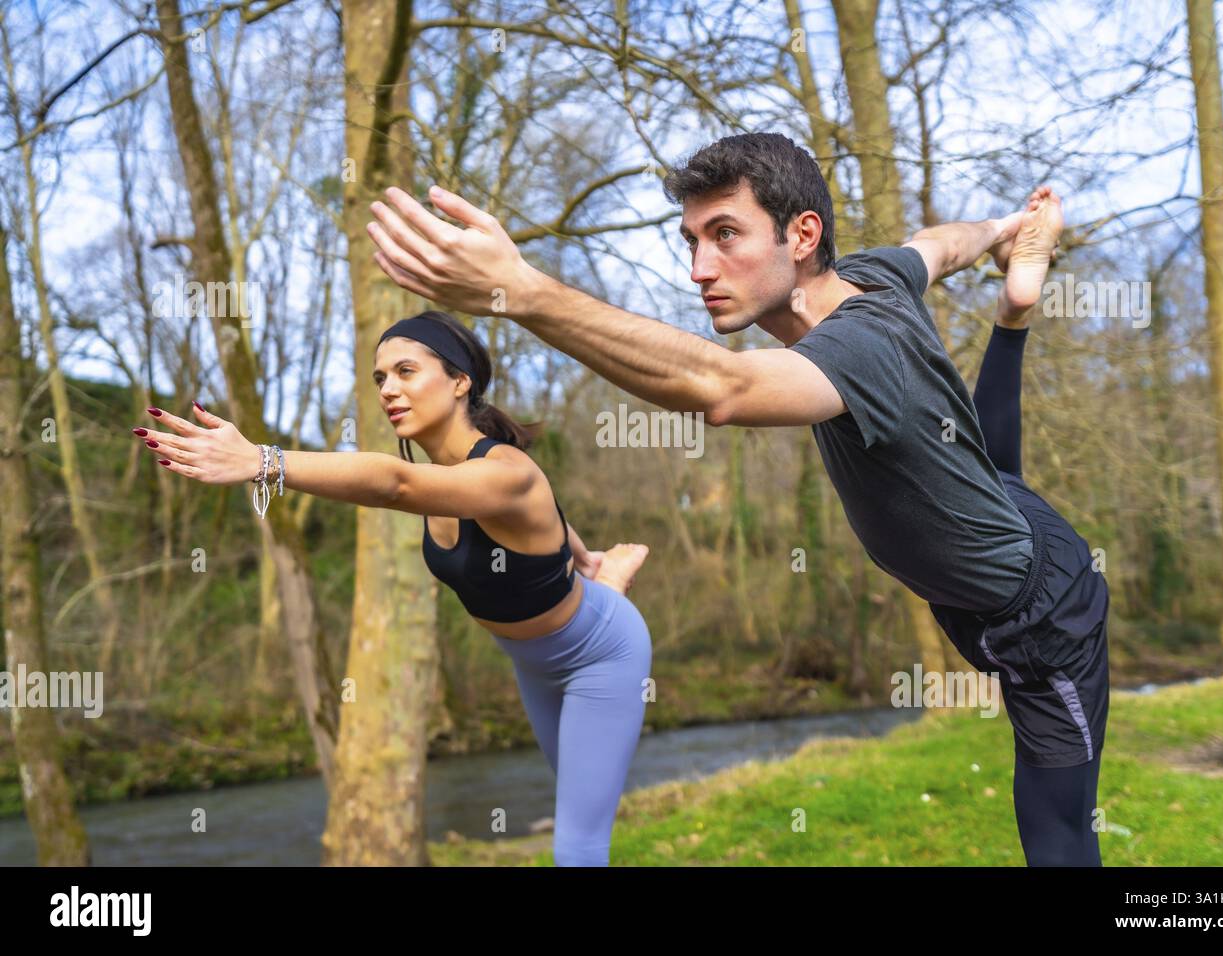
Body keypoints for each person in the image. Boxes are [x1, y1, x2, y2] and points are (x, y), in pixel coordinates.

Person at [364, 132, 1110, 866]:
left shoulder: (860, 348)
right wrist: (1003, 230)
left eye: (725, 235)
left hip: (1041, 615)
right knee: (994, 478)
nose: (699, 267)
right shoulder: (879, 275)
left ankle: (1015, 313)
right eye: (691, 239)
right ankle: (1016, 308)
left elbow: (722, 389)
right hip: (990, 540)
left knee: (1057, 837)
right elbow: (939, 245)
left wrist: (522, 292)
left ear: (803, 235)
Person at [132, 310, 653, 867]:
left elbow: (396, 484)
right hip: (534, 664)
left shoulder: (508, 471)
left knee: (578, 846)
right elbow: (528, 515)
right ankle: (605, 581)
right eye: (380, 377)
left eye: (406, 370)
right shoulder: (460, 479)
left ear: (460, 382)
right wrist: (581, 551)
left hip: (601, 655)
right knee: (575, 794)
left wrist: (264, 460)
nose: (389, 389)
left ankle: (609, 596)